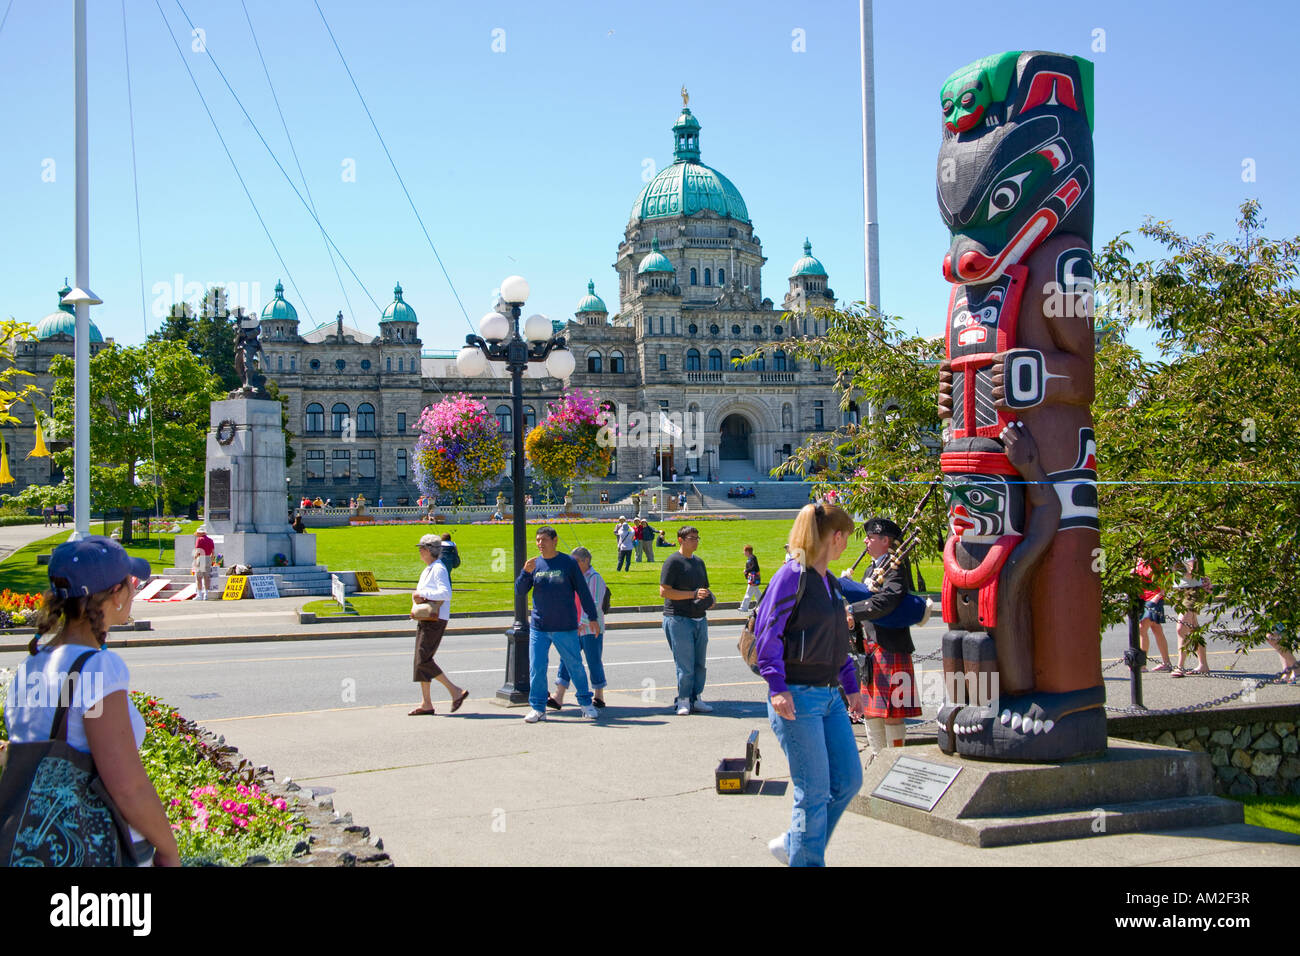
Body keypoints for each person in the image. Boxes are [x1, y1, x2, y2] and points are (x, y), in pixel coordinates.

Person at [3, 536, 180, 866]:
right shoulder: (97, 668)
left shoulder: (32, 665)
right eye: (130, 581)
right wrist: (169, 851)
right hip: (95, 846)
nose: (134, 588)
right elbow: (127, 786)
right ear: (114, 594)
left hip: (33, 845)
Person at [753, 503, 862, 867]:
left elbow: (837, 644)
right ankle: (805, 858)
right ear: (834, 536)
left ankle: (795, 843)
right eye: (845, 534)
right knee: (813, 792)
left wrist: (852, 688)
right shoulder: (791, 576)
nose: (847, 541)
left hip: (830, 698)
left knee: (847, 781)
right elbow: (766, 634)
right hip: (796, 697)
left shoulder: (829, 582)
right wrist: (777, 686)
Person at [848, 516, 922, 760]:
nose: (866, 541)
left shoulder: (896, 566)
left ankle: (896, 760)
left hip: (890, 646)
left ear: (885, 540)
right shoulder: (871, 568)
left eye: (871, 537)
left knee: (893, 711)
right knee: (871, 712)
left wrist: (853, 610)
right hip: (871, 647)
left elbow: (888, 601)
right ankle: (878, 759)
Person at [516, 526, 600, 723]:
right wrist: (525, 573)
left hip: (565, 626)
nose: (540, 544)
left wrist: (593, 617)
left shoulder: (568, 563)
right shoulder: (534, 565)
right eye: (537, 540)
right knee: (537, 667)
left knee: (575, 666)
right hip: (540, 626)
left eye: (544, 540)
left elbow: (583, 590)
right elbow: (520, 591)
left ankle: (586, 703)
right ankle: (537, 707)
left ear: (555, 541)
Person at [409, 535, 469, 715]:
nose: (420, 551)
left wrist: (423, 594)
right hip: (426, 619)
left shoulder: (438, 569)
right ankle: (426, 703)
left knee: (423, 660)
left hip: (435, 619)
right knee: (420, 661)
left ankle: (455, 691)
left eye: (422, 548)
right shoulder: (429, 569)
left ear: (429, 551)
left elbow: (446, 593)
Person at [660, 525, 714, 715]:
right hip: (678, 618)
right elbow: (664, 591)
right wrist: (692, 594)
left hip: (699, 618)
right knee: (685, 664)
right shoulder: (673, 562)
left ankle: (696, 697)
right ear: (681, 540)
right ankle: (683, 699)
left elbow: (704, 588)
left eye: (698, 538)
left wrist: (709, 598)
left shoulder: (699, 562)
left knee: (700, 663)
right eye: (692, 538)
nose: (696, 541)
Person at [550, 547, 608, 709]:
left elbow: (595, 604)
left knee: (593, 660)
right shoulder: (574, 577)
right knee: (566, 659)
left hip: (590, 628)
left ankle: (599, 695)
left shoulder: (594, 578)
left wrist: (581, 623)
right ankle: (558, 695)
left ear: (585, 561)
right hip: (573, 627)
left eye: (575, 561)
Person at [1171, 553, 1212, 677]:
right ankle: (1203, 665)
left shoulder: (1188, 548)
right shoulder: (1173, 549)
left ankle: (1180, 666)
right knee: (1194, 628)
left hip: (1192, 590)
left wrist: (1179, 567)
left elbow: (1192, 572)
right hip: (1179, 590)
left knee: (1181, 628)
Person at [1134, 553, 1173, 671]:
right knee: (1157, 629)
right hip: (1142, 598)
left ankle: (1142, 664)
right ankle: (1167, 662)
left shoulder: (1156, 562)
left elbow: (1167, 581)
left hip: (1153, 599)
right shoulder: (1139, 561)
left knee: (1142, 629)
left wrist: (1158, 596)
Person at [739, 545, 761, 612]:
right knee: (757, 593)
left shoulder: (752, 558)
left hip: (753, 578)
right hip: (752, 578)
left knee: (748, 593)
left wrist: (746, 570)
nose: (744, 553)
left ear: (748, 551)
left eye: (744, 551)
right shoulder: (750, 558)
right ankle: (762, 605)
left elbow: (754, 567)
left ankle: (744, 607)